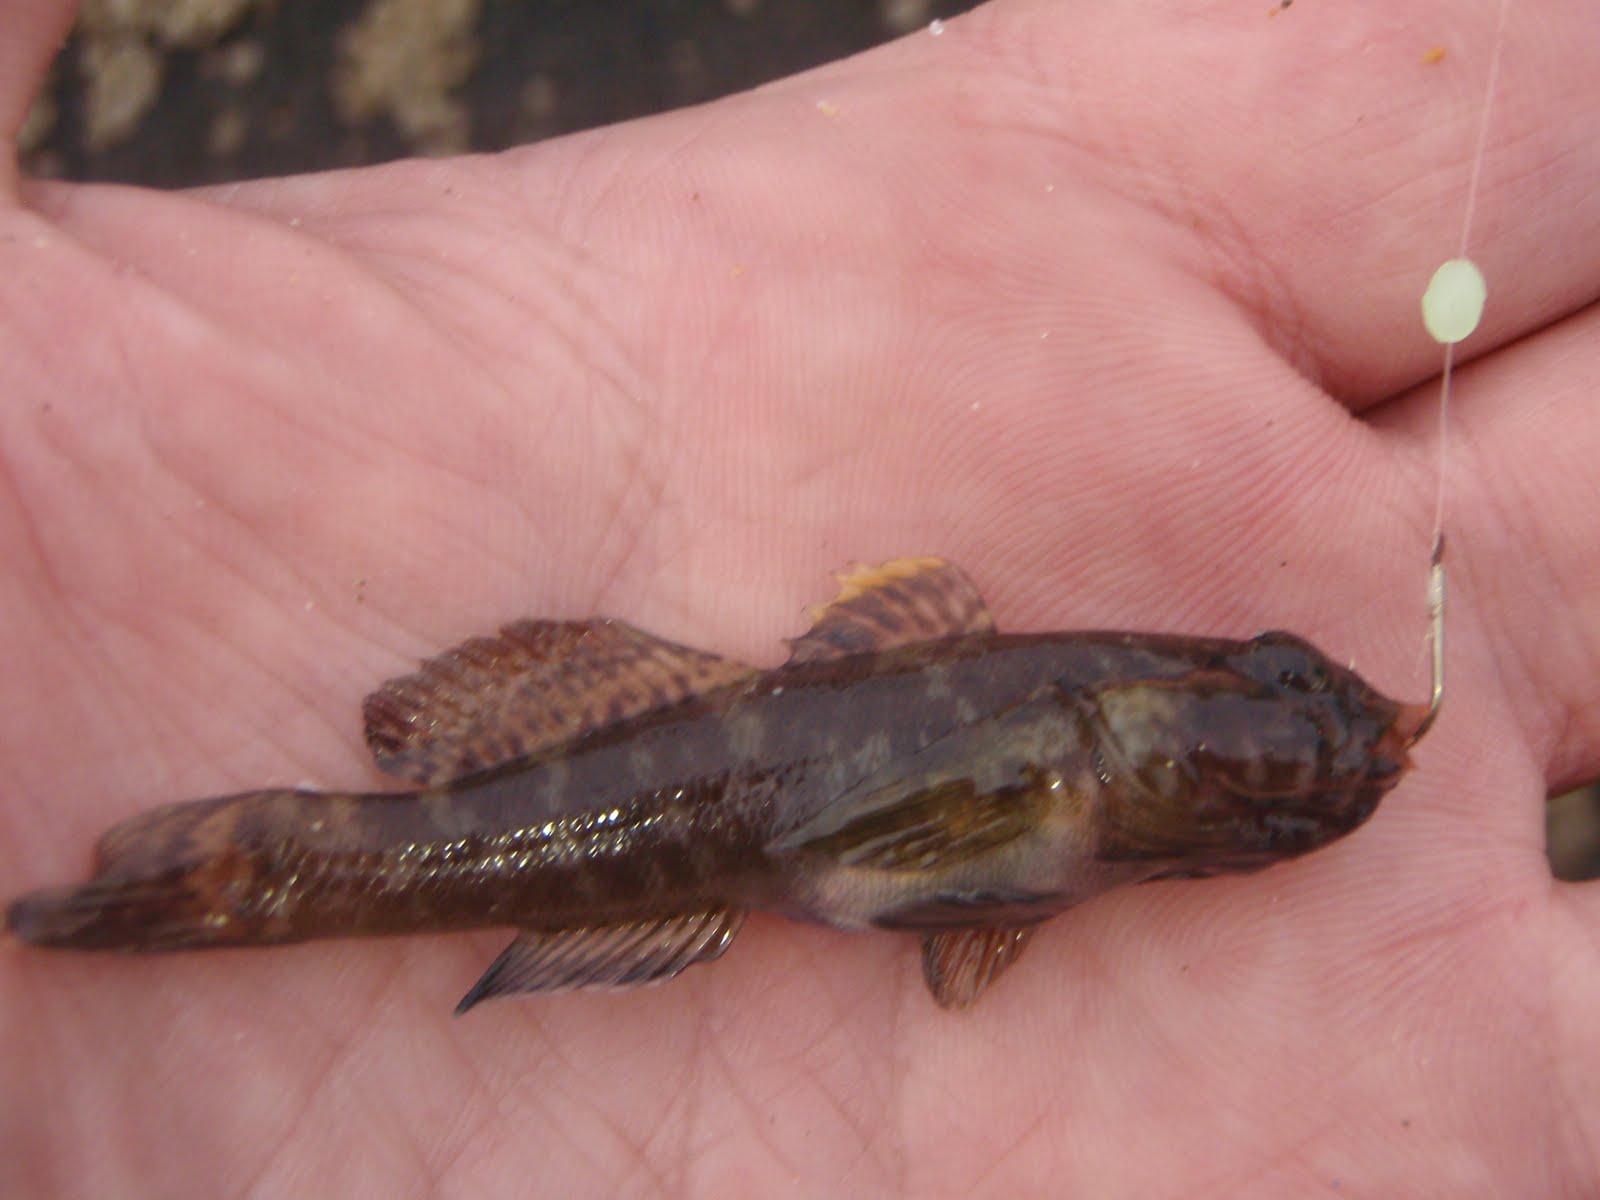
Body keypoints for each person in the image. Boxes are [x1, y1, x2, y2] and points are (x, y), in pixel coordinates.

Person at [2, 0, 1596, 1194]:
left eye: (1278, 782)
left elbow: (907, 816)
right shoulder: (1056, 794)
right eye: (1277, 773)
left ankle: (211, 893)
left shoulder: (1062, 775)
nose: (1315, 754)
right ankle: (220, 890)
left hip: (759, 795)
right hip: (684, 783)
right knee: (384, 858)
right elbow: (916, 871)